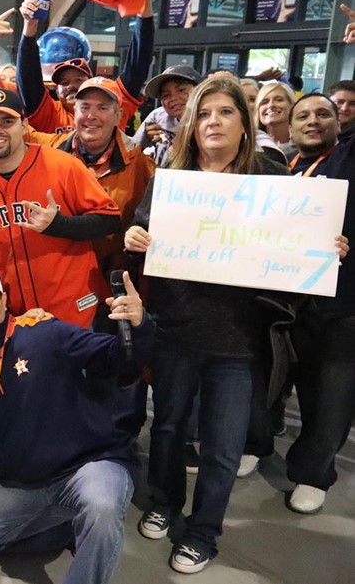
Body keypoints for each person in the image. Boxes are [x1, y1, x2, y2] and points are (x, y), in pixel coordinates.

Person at [124, 77, 294, 574]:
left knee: (222, 447)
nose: (213, 122)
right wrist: (137, 233)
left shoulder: (274, 180)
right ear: (191, 127)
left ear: (245, 124)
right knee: (170, 428)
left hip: (240, 340)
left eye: (225, 112)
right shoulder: (172, 178)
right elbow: (145, 229)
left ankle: (203, 533)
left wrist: (325, 251)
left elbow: (297, 248)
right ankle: (164, 501)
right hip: (176, 328)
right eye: (203, 114)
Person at [0, 263, 153, 584]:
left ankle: (85, 533)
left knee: (101, 508)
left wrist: (138, 325)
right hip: (20, 483)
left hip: (85, 466)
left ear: (3, 300)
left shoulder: (43, 332)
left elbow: (116, 359)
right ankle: (68, 526)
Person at [0, 88, 121, 329]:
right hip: (16, 323)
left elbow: (110, 220)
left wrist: (60, 225)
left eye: (8, 121)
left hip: (77, 314)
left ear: (24, 126)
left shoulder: (63, 166)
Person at [278, 94, 355, 514]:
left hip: (340, 306)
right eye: (302, 115)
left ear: (340, 121)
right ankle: (256, 444)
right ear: (289, 128)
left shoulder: (348, 160)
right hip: (284, 304)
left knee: (331, 398)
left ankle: (313, 473)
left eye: (323, 113)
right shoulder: (281, 167)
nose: (313, 121)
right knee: (267, 387)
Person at [24, 77, 157, 282]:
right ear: (74, 112)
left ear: (118, 115)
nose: (91, 116)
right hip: (58, 281)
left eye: (102, 108)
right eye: (84, 107)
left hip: (112, 286)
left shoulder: (142, 166)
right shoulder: (50, 149)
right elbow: (12, 130)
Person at [16, 0, 155, 134]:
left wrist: (144, 2)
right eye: (64, 83)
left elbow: (138, 64)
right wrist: (30, 26)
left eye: (79, 80)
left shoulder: (114, 104)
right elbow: (28, 79)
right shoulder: (50, 113)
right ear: (56, 89)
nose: (72, 86)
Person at [134, 65, 203, 165]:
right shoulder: (158, 117)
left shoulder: (212, 120)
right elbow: (131, 151)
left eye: (181, 90)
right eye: (166, 95)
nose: (173, 98)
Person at [255, 80, 296, 160]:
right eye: (264, 102)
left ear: (292, 106)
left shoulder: (303, 145)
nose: (271, 105)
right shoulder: (248, 145)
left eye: (279, 100)